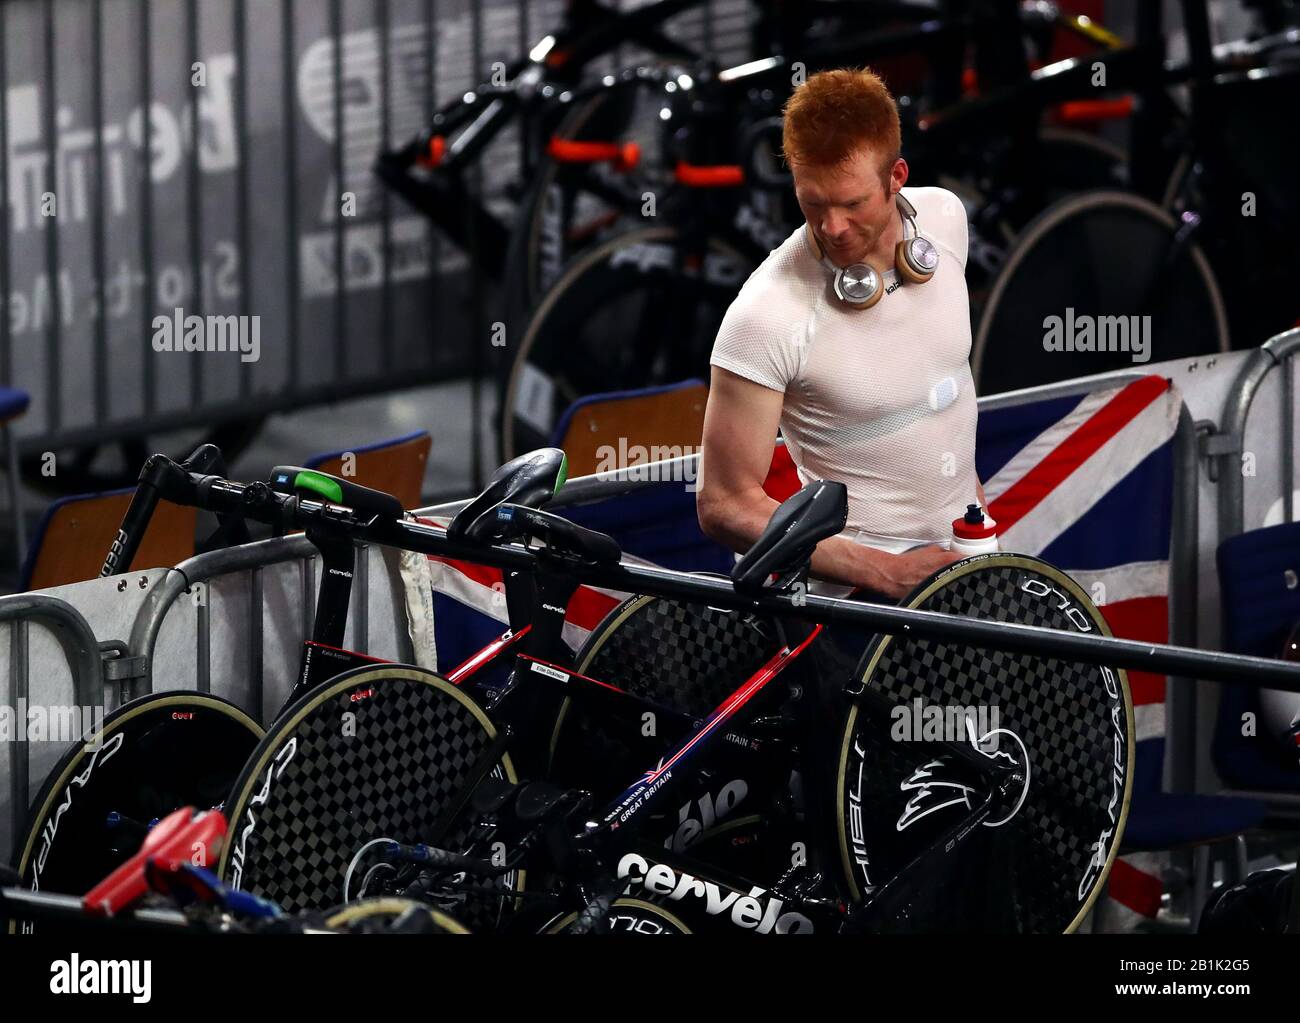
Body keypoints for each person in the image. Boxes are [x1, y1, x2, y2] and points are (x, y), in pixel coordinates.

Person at [697, 67, 990, 601]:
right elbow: (724, 504)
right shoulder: (765, 315)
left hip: (965, 564)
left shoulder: (945, 220)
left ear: (896, 176)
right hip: (857, 605)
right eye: (813, 203)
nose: (832, 227)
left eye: (853, 204)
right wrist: (883, 571)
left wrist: (971, 534)